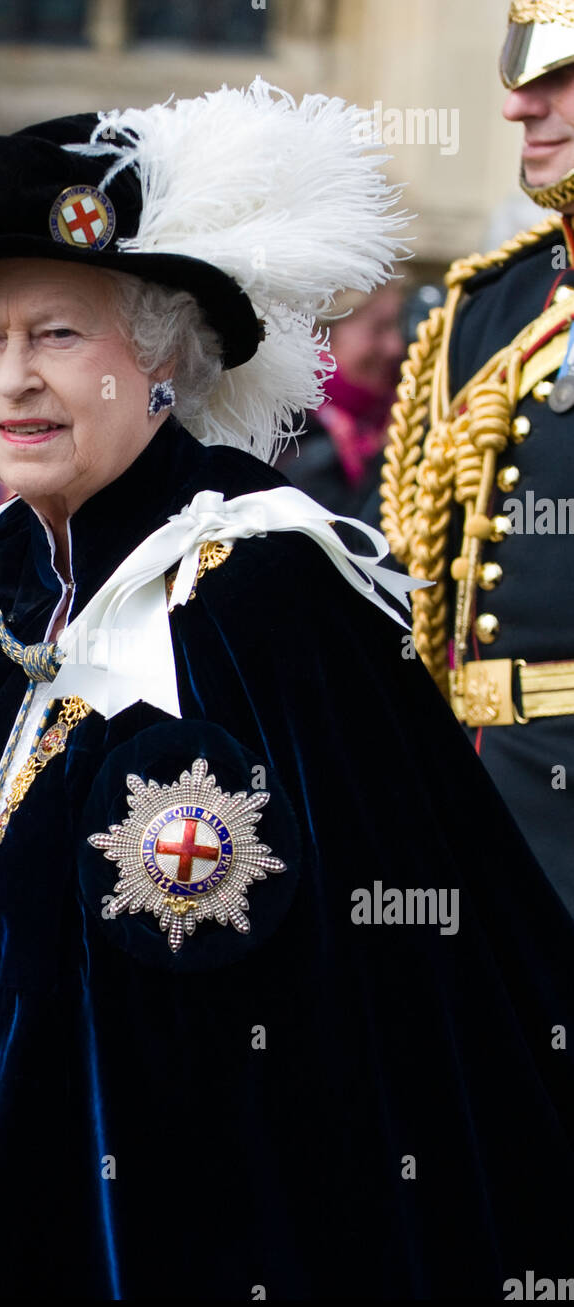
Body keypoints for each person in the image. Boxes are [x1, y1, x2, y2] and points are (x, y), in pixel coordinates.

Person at [0, 83, 574, 1301]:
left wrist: (26, 945)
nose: (14, 381)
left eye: (59, 335)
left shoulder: (264, 586)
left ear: (161, 362)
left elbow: (357, 979)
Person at [381, 0, 574, 918]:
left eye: (560, 78)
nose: (517, 108)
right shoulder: (493, 303)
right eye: (518, 75)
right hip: (465, 792)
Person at [276, 283, 405, 516]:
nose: (395, 347)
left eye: (397, 328)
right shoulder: (283, 430)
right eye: (379, 329)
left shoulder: (385, 419)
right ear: (323, 333)